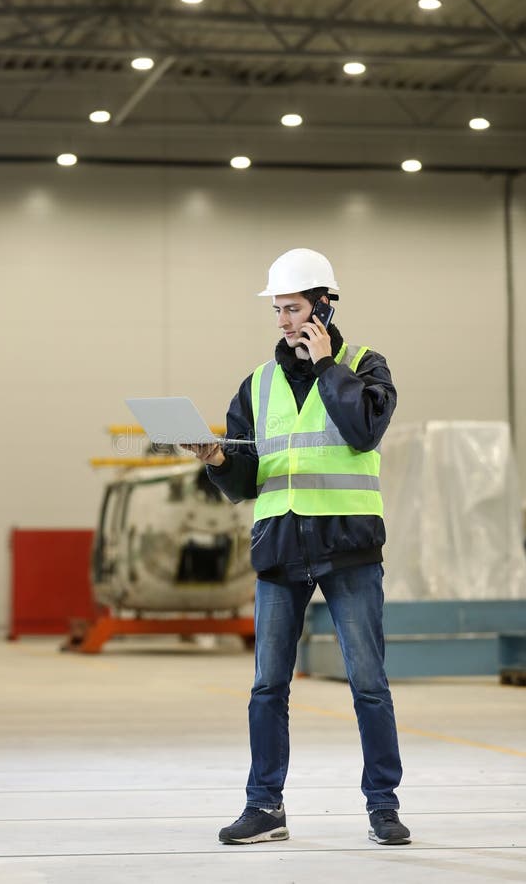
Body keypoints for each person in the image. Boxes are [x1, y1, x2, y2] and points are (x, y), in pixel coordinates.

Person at [182, 248, 410, 847]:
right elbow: (245, 478)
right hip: (280, 546)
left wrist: (327, 363)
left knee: (368, 683)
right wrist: (216, 459)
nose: (284, 321)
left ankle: (383, 807)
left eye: (294, 308)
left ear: (324, 306)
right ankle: (265, 807)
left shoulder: (366, 366)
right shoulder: (256, 383)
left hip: (348, 545)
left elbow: (362, 431)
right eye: (278, 310)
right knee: (266, 686)